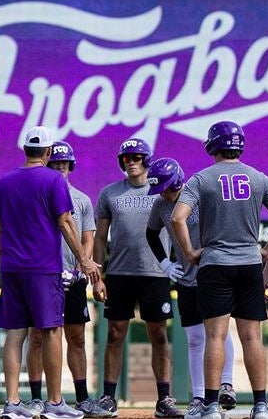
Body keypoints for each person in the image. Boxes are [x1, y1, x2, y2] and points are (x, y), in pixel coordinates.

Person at [170, 121, 268, 419]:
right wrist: (266, 251)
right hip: (250, 263)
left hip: (215, 263)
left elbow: (177, 219)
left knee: (214, 337)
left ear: (212, 145)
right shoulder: (258, 177)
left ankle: (211, 405)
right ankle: (261, 405)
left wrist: (189, 253)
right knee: (252, 337)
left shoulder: (202, 179)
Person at [0, 127, 101, 419]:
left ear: (24, 149)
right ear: (48, 153)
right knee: (51, 331)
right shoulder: (54, 180)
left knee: (15, 334)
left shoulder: (4, 181)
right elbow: (64, 221)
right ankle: (54, 403)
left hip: (12, 268)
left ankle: (12, 404)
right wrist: (84, 261)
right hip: (43, 269)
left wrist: (3, 261)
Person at [144, 157, 239, 419]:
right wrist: (164, 262)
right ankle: (198, 397)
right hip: (186, 278)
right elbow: (151, 233)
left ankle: (226, 384)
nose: (164, 192)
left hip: (212, 273)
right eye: (160, 188)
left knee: (217, 332)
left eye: (167, 187)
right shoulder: (161, 204)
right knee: (195, 339)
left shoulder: (199, 194)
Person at [91, 138, 179, 419]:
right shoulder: (109, 193)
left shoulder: (160, 191)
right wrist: (97, 274)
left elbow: (181, 225)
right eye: (127, 157)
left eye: (137, 157)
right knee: (115, 334)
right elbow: (100, 236)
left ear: (147, 160)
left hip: (155, 272)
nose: (131, 161)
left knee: (159, 334)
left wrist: (179, 263)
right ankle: (108, 397)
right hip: (118, 273)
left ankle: (164, 398)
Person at [24, 141, 100, 417]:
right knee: (37, 336)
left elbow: (88, 237)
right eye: (55, 164)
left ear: (71, 167)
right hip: (44, 275)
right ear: (46, 164)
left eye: (64, 165)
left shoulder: (81, 199)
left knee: (76, 338)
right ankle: (35, 397)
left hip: (74, 277)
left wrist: (82, 267)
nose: (60, 169)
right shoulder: (40, 194)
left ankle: (81, 398)